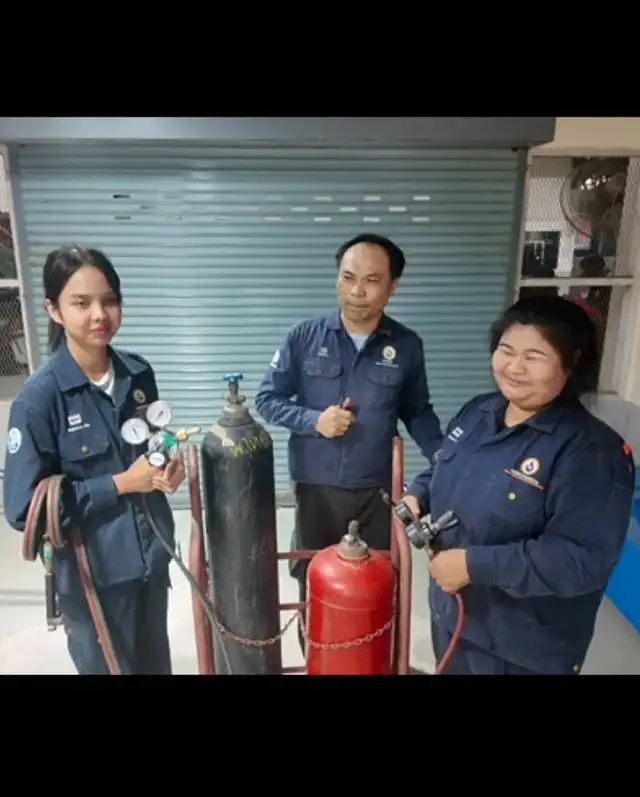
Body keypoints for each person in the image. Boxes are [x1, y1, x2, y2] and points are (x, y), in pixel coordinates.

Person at [401, 295, 635, 675]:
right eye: (506, 350)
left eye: (534, 357)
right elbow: (445, 465)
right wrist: (419, 494)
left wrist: (473, 564)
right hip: (454, 619)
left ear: (573, 361)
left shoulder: (592, 452)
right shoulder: (478, 412)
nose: (514, 367)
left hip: (522, 649)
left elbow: (582, 559)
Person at [254, 233, 443, 652]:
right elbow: (267, 400)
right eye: (348, 277)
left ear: (392, 287)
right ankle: (316, 659)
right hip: (316, 491)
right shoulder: (304, 337)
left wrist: (446, 457)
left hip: (377, 493)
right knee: (315, 583)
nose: (357, 291)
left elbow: (418, 411)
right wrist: (314, 421)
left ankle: (369, 661)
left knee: (376, 586)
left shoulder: (406, 345)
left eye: (372, 280)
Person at [3, 245, 185, 675]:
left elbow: (153, 443)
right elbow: (24, 510)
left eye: (109, 300)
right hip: (94, 581)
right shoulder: (39, 400)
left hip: (151, 558)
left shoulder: (138, 374)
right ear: (54, 309)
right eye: (81, 303)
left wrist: (168, 468)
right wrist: (120, 484)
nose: (100, 315)